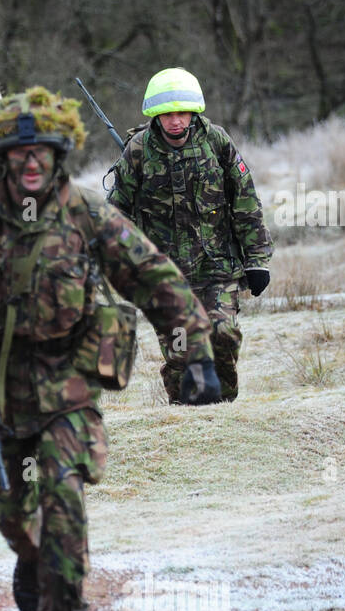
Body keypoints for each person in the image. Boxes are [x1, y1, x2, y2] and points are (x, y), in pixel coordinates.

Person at [0, 87, 220, 611]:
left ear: (59, 156)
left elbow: (154, 277)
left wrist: (196, 352)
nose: (30, 165)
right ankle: (30, 556)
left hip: (67, 379)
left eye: (42, 154)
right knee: (4, 500)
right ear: (0, 156)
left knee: (64, 495)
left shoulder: (84, 211)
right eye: (19, 155)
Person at [107, 67, 272, 402]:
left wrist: (256, 260)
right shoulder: (138, 151)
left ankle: (222, 410)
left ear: (194, 110)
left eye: (182, 112)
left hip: (217, 269)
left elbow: (245, 201)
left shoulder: (217, 142)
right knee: (180, 349)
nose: (176, 121)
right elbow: (116, 216)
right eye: (168, 114)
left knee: (223, 335)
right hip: (164, 274)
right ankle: (184, 413)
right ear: (156, 114)